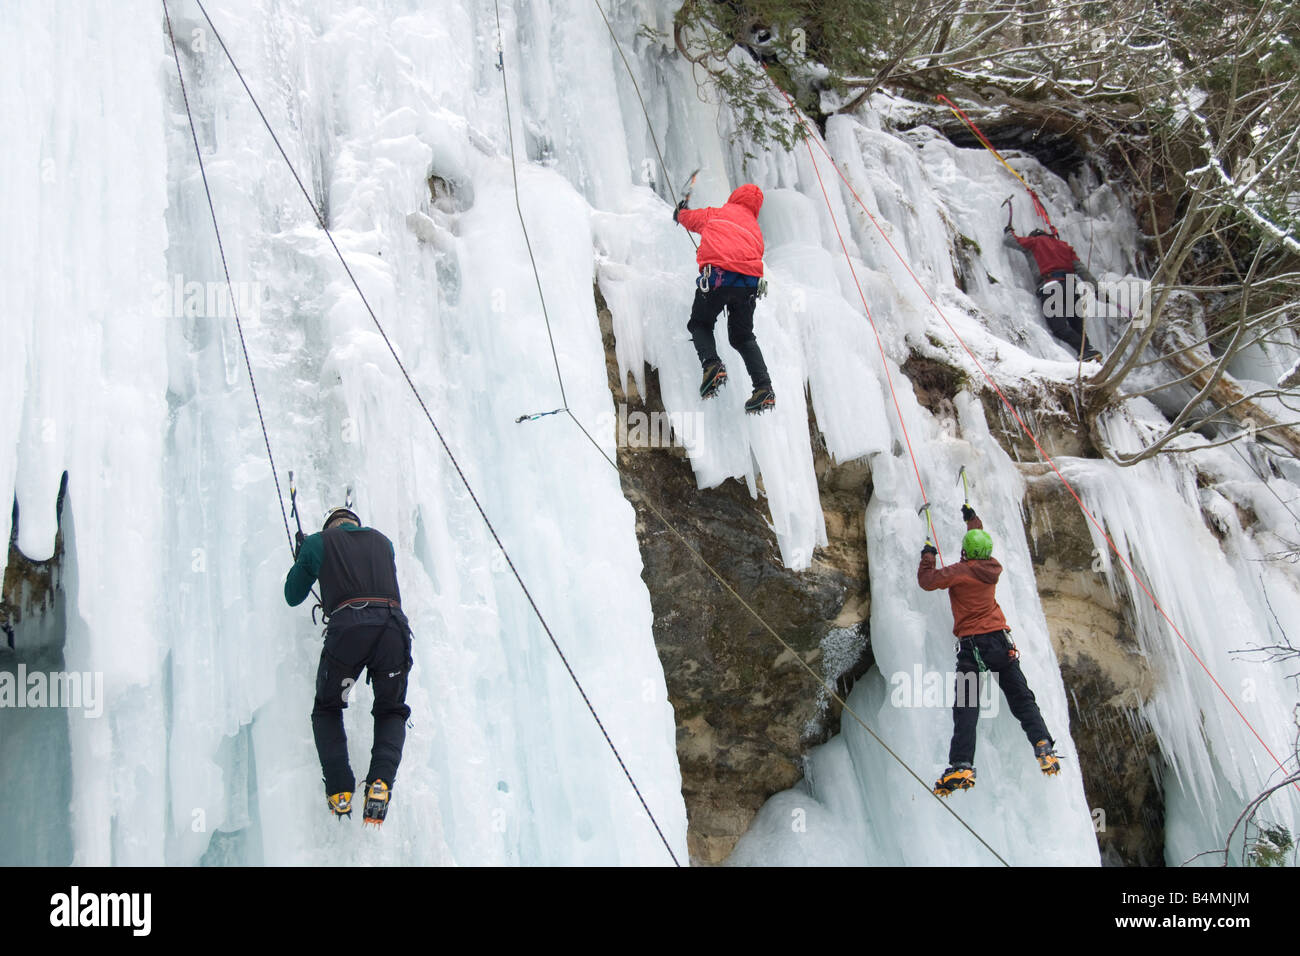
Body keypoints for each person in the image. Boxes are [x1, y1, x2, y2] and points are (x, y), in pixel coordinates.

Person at [917, 505, 1060, 796]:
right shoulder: (990, 567)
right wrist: (972, 519)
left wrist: (928, 555)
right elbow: (977, 538)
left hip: (973, 651)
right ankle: (1042, 744)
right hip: (1000, 644)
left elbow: (928, 581)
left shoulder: (960, 572)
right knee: (1021, 698)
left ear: (966, 552)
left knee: (967, 707)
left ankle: (961, 764)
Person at [285, 506, 412, 825]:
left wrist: (305, 557)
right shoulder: (383, 542)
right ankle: (380, 783)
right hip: (393, 629)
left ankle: (341, 790)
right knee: (391, 709)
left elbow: (292, 595)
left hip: (350, 630)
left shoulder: (318, 543)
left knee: (328, 707)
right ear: (356, 524)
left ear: (330, 526)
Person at [674, 184, 775, 414]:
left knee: (700, 323)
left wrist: (680, 213)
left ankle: (711, 365)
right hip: (748, 285)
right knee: (743, 336)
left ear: (735, 197)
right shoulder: (755, 230)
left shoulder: (718, 213)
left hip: (718, 278)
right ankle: (763, 387)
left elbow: (694, 219)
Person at [1005, 220, 1102, 361]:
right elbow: (1082, 270)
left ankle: (1087, 351)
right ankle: (1089, 354)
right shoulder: (1064, 246)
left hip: (1051, 285)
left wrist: (1009, 230)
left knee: (1059, 328)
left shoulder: (1034, 242)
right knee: (1077, 326)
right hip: (1070, 286)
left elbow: (1009, 240)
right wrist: (1096, 289)